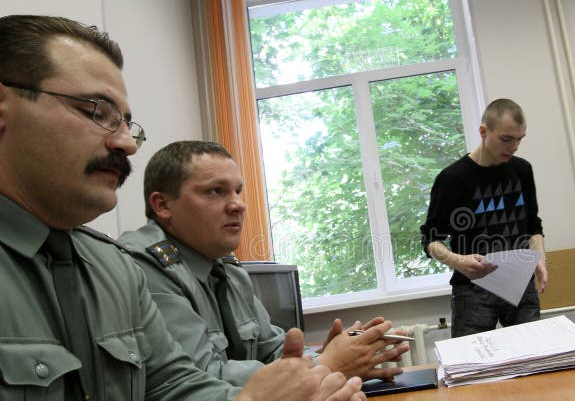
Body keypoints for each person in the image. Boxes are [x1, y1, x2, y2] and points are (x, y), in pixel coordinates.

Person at [0, 14, 365, 401]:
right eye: (96, 111)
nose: (125, 143)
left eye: (126, 123)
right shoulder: (138, 262)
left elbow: (176, 388)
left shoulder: (110, 267)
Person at [119, 140, 409, 387]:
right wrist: (326, 366)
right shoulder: (144, 268)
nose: (238, 204)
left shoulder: (228, 268)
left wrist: (330, 357)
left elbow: (271, 351)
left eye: (238, 191)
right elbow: (199, 381)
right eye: (215, 191)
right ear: (163, 205)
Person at [420, 98, 548, 338]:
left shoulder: (522, 170)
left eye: (519, 139)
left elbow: (533, 225)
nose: (514, 147)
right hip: (472, 290)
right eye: (506, 139)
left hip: (520, 284)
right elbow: (430, 240)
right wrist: (459, 261)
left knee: (534, 356)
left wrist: (539, 257)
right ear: (483, 132)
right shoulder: (452, 179)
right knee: (469, 359)